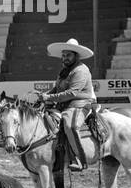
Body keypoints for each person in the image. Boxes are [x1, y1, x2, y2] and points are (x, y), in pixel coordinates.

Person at [41, 38, 98, 172]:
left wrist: (49, 97)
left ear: (76, 56)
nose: (65, 58)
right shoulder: (64, 71)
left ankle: (80, 160)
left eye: (68, 55)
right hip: (66, 105)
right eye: (64, 55)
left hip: (80, 104)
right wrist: (45, 95)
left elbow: (72, 93)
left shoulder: (80, 70)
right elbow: (57, 88)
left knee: (69, 125)